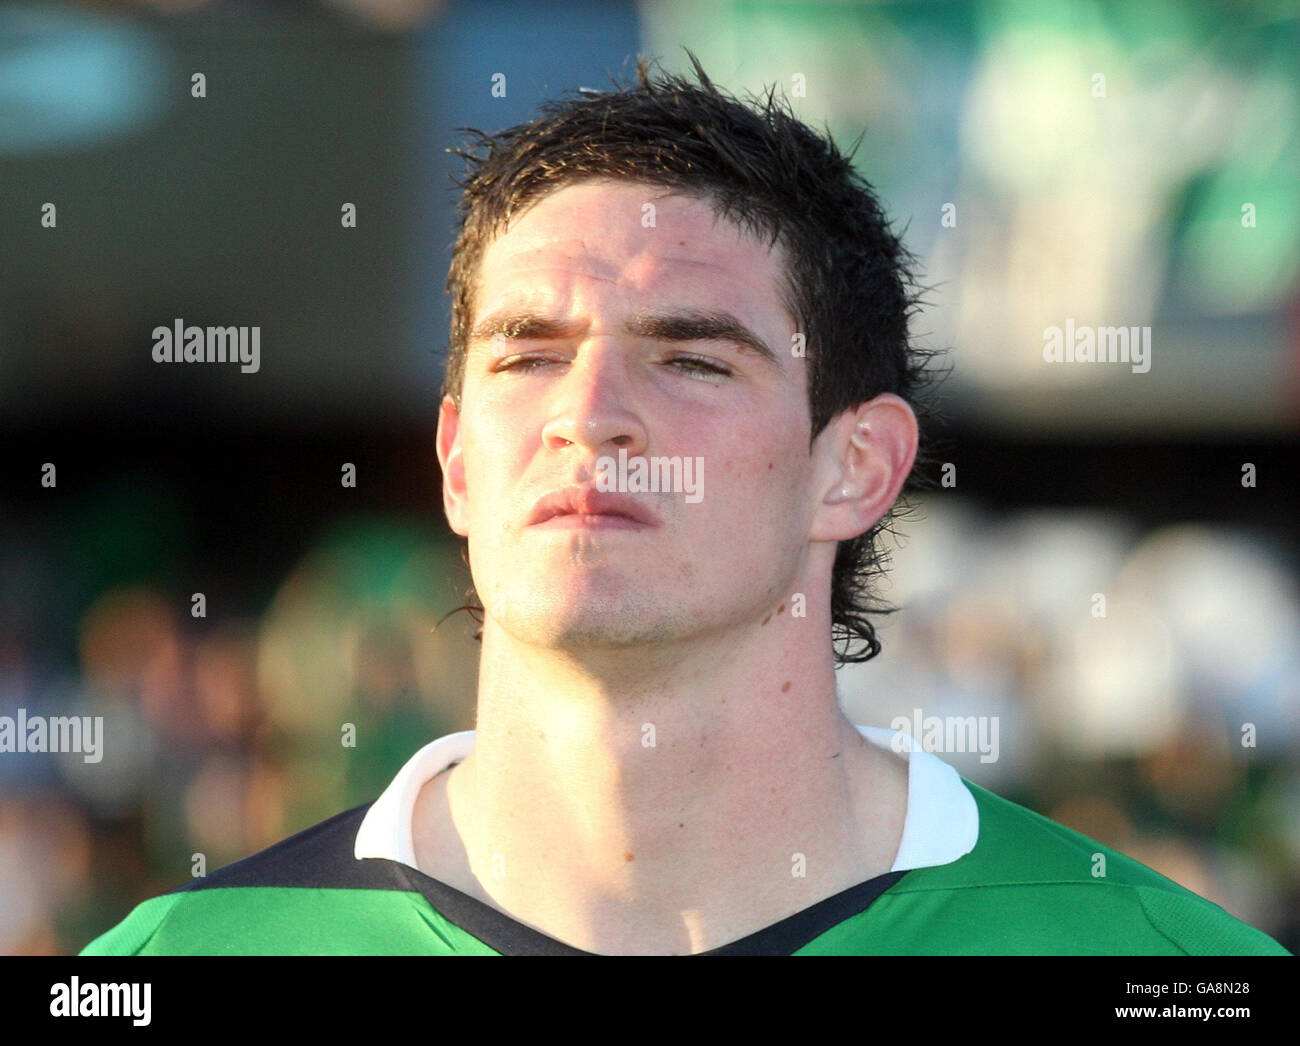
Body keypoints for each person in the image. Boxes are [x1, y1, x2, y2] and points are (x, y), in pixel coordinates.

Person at [81, 54, 1289, 956]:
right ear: (457, 460)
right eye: (525, 352)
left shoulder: (1160, 966)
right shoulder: (170, 962)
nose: (589, 411)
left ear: (855, 466)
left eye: (693, 358)